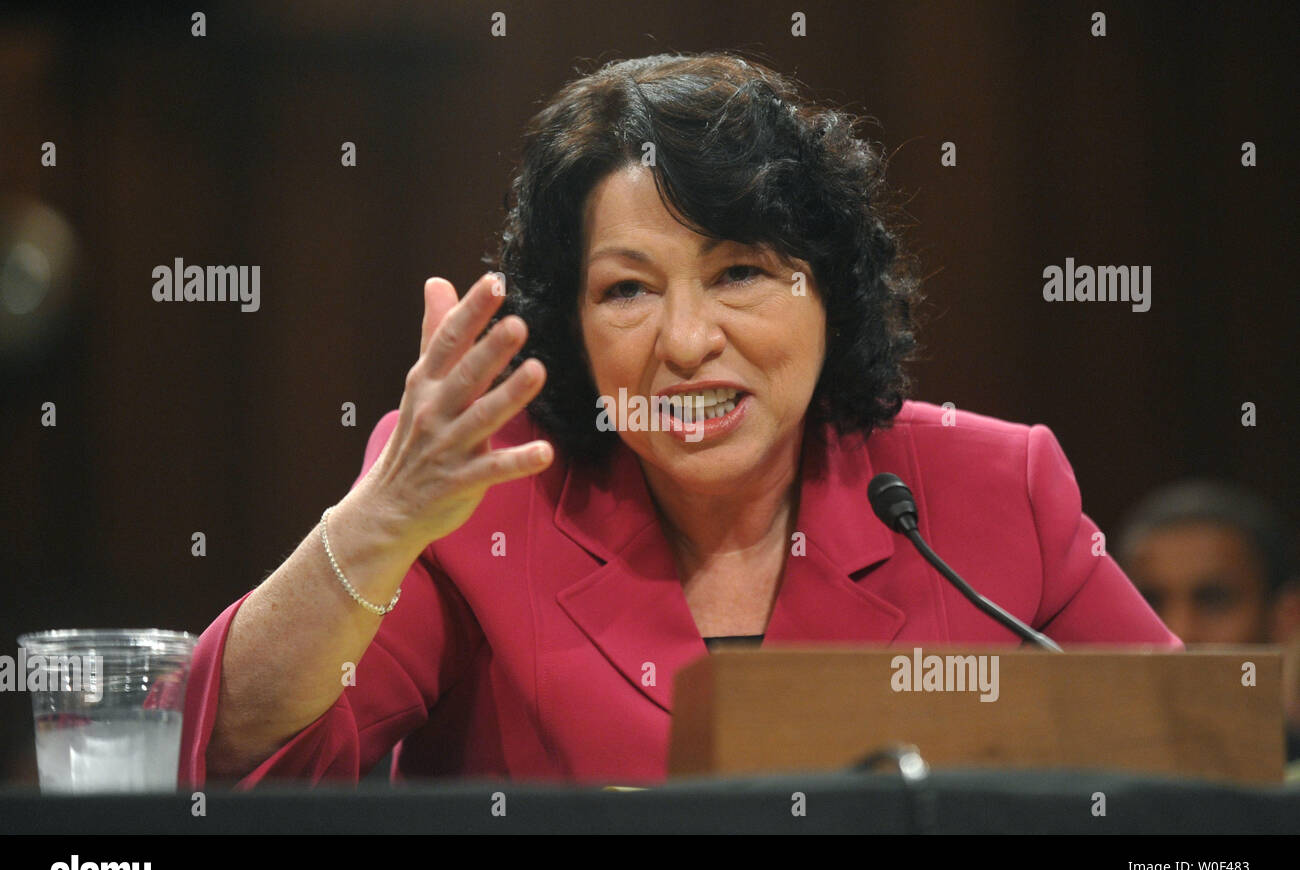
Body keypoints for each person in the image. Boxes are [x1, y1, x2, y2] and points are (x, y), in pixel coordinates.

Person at [182, 52, 1180, 789]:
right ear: (570, 325)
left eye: (738, 271)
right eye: (625, 290)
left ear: (827, 290)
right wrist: (374, 526)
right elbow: (230, 749)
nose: (686, 340)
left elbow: (1205, 773)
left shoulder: (990, 489)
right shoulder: (488, 501)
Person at [1118, 480, 1300, 761]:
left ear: (1286, 618)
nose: (1178, 635)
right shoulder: (1070, 780)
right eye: (1148, 603)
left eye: (1214, 600)